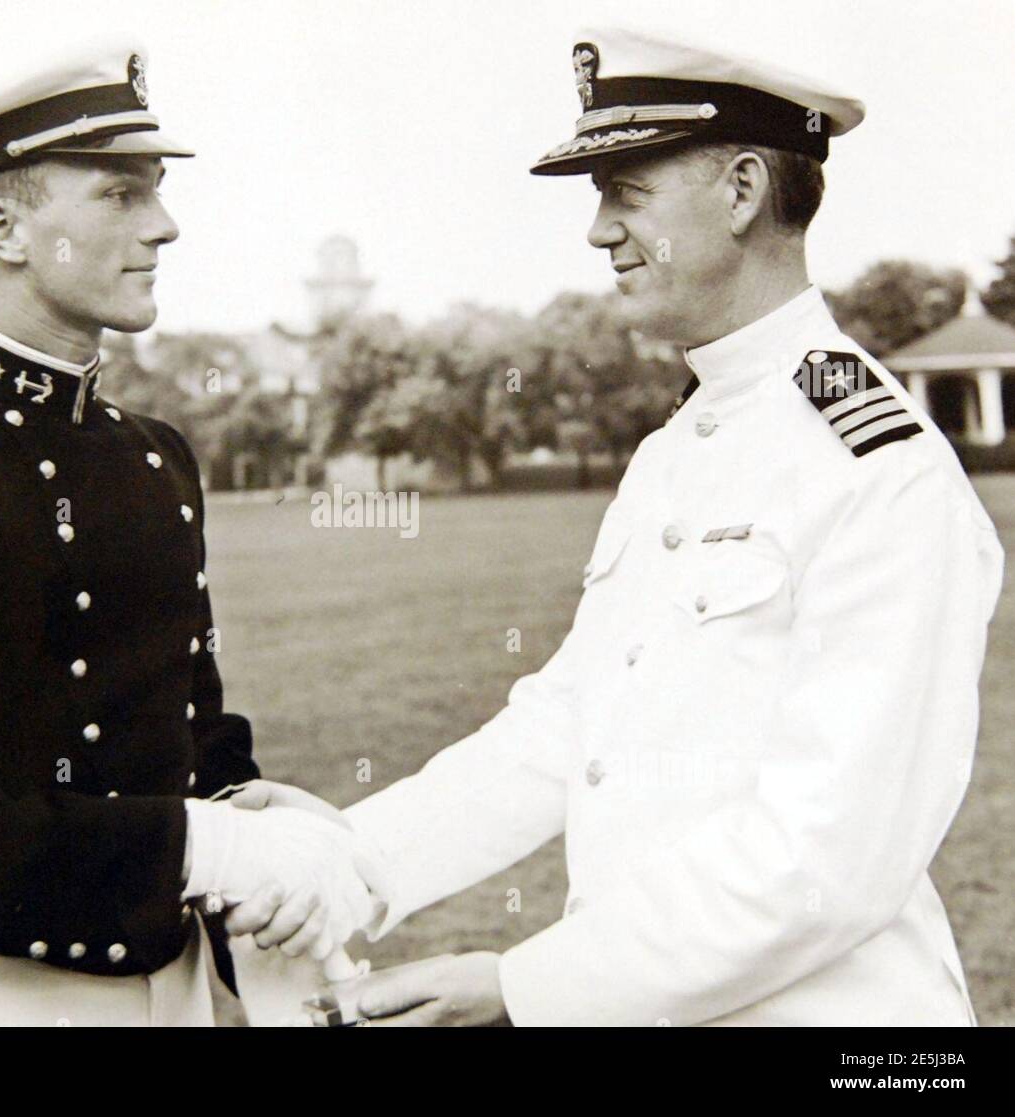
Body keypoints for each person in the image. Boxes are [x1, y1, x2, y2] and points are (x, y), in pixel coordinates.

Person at [231, 26, 1005, 1026]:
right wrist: (351, 857)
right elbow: (568, 725)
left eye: (625, 192)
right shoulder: (676, 448)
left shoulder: (879, 468)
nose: (599, 233)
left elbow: (830, 853)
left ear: (741, 191)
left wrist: (525, 989)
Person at [0, 42, 373, 1027]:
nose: (165, 224)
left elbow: (190, 736)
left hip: (179, 997)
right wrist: (201, 846)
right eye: (121, 194)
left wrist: (257, 819)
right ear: (6, 230)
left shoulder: (159, 456)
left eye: (158, 191)